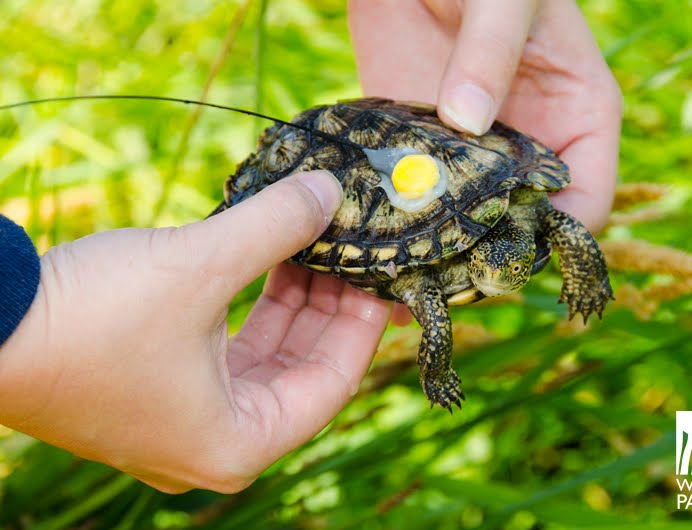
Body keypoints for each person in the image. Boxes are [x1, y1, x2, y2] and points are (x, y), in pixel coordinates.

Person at [0, 0, 621, 493]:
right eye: (501, 259)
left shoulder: (524, 212)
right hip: (338, 172)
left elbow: (562, 225)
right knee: (429, 300)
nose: (514, 254)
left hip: (460, 157)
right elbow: (430, 304)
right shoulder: (426, 276)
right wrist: (40, 336)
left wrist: (583, 273)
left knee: (557, 222)